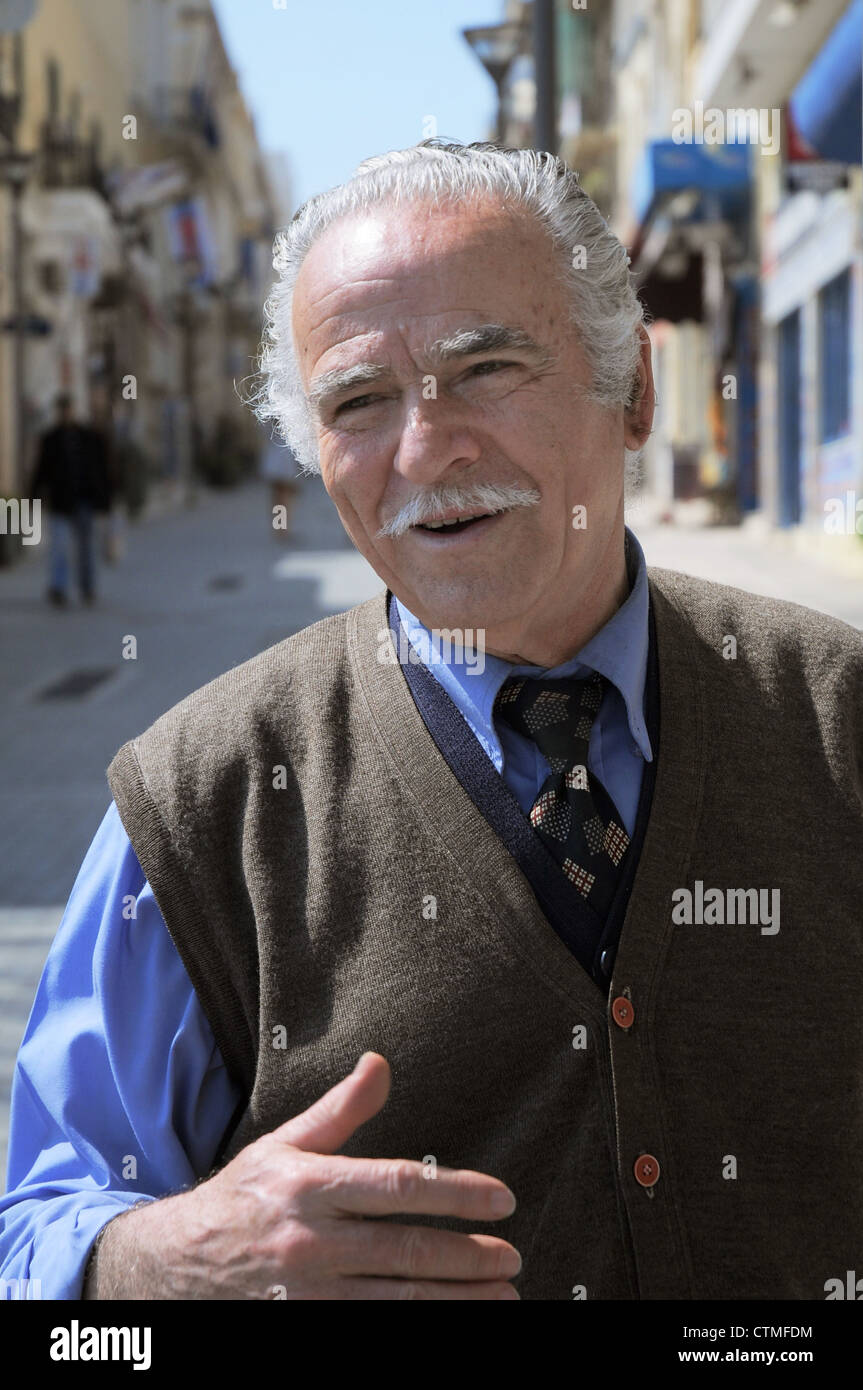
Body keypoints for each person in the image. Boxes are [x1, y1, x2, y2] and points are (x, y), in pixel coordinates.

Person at [1, 140, 861, 1301]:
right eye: (357, 401)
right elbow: (39, 1236)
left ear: (636, 390)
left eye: (487, 366)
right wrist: (164, 1265)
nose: (425, 448)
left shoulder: (837, 715)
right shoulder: (200, 808)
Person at [29, 393, 113, 605]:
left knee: (85, 548)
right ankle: (59, 587)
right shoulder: (51, 439)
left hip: (84, 501)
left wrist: (105, 501)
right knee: (60, 547)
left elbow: (101, 471)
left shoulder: (88, 438)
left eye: (68, 409)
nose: (66, 413)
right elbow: (41, 471)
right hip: (60, 503)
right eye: (62, 409)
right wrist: (32, 497)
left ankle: (87, 587)